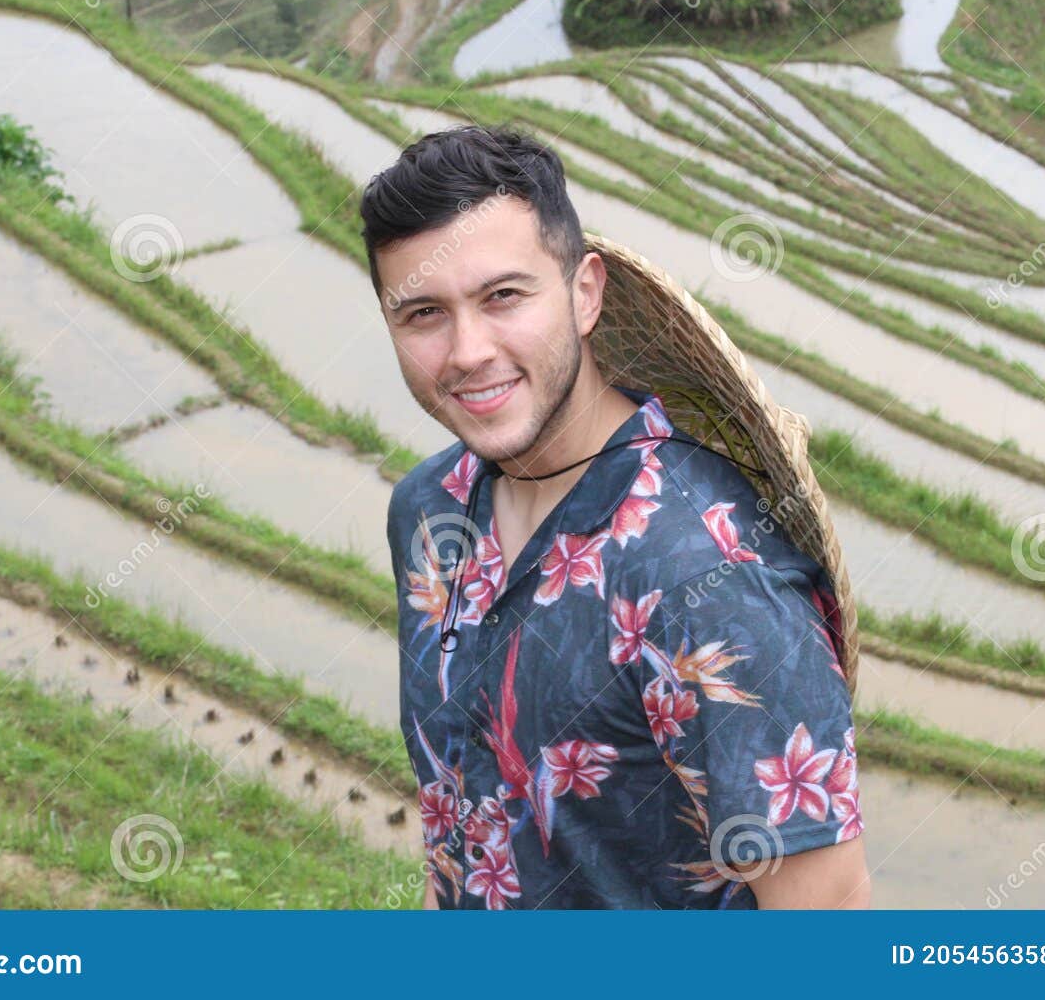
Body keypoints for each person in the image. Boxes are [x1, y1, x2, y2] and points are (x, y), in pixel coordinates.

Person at [361, 124, 869, 909]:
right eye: (423, 312)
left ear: (585, 291)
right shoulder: (428, 514)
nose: (466, 351)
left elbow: (826, 921)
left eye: (504, 296)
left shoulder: (708, 571)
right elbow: (458, 815)